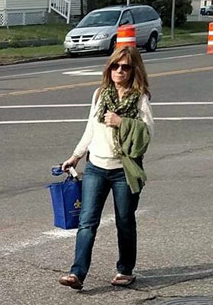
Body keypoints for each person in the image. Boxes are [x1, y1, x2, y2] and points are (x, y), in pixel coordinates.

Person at [58, 45, 154, 291]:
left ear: (134, 71)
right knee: (87, 221)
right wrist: (76, 156)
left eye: (125, 67)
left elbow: (147, 133)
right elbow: (90, 127)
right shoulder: (101, 94)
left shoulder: (140, 98)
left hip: (124, 170)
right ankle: (77, 273)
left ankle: (125, 269)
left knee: (124, 220)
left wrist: (122, 122)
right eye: (115, 66)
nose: (119, 71)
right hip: (96, 167)